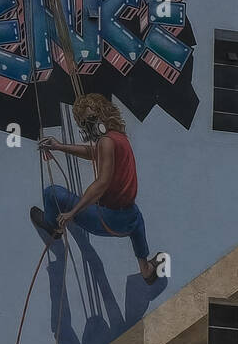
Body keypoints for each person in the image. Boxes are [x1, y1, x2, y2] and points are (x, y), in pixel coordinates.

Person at [31, 93, 164, 284]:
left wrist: (72, 213)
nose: (90, 126)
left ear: (103, 114)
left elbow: (101, 184)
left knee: (51, 193)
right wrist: (60, 147)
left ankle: (54, 229)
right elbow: (95, 152)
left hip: (105, 220)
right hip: (128, 219)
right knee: (137, 218)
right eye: (85, 123)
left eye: (92, 119)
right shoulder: (118, 138)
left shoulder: (106, 142)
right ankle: (146, 270)